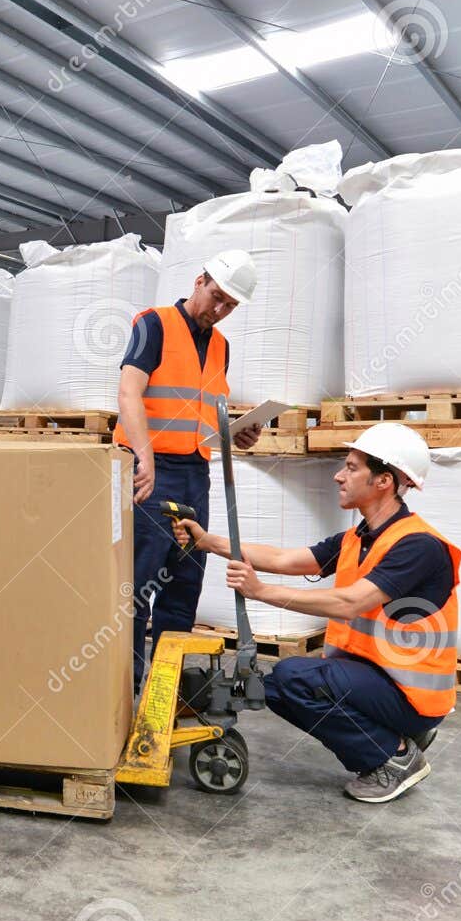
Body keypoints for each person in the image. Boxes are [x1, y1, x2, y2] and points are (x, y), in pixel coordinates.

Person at [172, 423, 461, 804]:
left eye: (352, 467)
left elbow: (349, 602)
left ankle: (393, 758)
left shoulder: (418, 547)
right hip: (378, 682)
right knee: (273, 688)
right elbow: (284, 559)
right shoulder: (358, 538)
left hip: (411, 697)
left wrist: (260, 592)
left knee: (295, 678)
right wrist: (208, 541)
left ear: (384, 481)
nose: (339, 475)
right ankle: (392, 736)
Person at [114, 250, 262, 688]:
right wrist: (145, 457)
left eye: (230, 306)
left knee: (183, 584)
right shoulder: (153, 324)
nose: (219, 311)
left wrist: (237, 435)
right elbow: (128, 393)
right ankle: (124, 696)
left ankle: (164, 690)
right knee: (139, 585)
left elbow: (199, 412)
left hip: (196, 474)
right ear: (199, 281)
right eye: (216, 297)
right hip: (150, 471)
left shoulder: (221, 346)